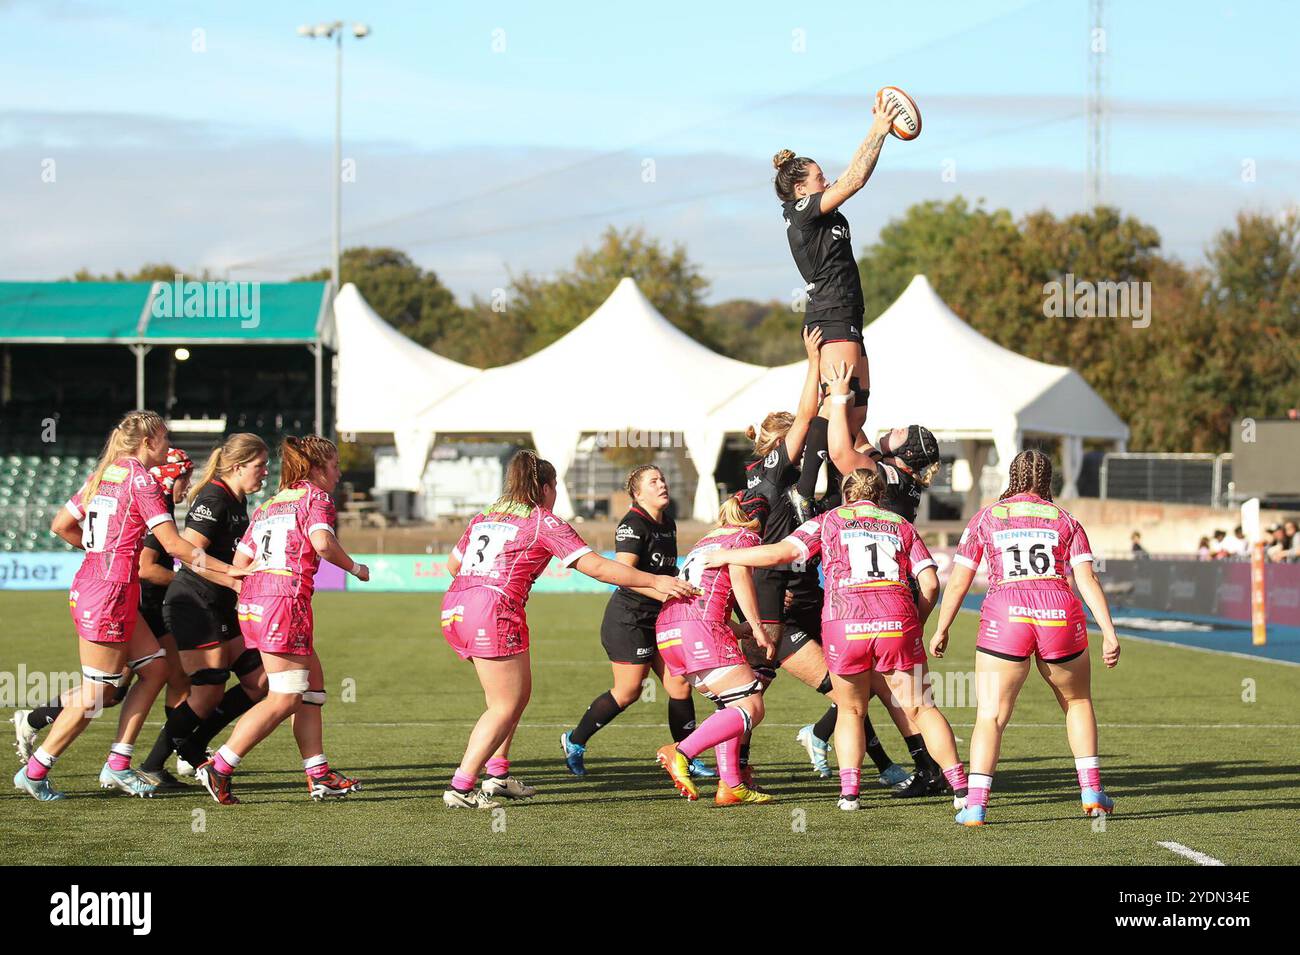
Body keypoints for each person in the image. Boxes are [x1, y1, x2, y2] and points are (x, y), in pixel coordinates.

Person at [15, 411, 251, 801]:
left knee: (156, 668)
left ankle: (119, 764)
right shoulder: (140, 480)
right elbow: (175, 546)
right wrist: (231, 575)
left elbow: (61, 524)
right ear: (148, 442)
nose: (168, 442)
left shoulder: (105, 474)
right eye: (164, 437)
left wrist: (102, 554)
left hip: (110, 589)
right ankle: (36, 770)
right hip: (107, 595)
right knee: (97, 693)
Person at [440, 450, 694, 809]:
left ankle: (497, 775)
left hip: (456, 606)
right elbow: (597, 567)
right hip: (493, 611)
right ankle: (462, 787)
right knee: (505, 704)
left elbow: (453, 565)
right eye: (555, 485)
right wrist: (656, 580)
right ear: (543, 488)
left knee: (511, 699)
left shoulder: (486, 515)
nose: (556, 493)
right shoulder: (543, 520)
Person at [708, 470, 968, 812]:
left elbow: (782, 553)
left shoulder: (827, 521)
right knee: (922, 708)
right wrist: (914, 623)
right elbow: (931, 583)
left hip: (845, 624)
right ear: (880, 496)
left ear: (846, 495)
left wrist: (729, 556)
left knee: (851, 710)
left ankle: (850, 794)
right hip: (896, 621)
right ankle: (961, 789)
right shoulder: (900, 524)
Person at [929, 449, 1122, 826]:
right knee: (1078, 701)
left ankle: (977, 805)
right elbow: (1087, 578)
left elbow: (959, 578)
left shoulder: (988, 517)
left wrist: (942, 626)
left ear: (1011, 477)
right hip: (1058, 612)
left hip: (1007, 611)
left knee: (991, 715)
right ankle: (1092, 792)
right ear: (1047, 480)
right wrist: (1109, 632)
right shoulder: (1066, 519)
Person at [194, 435, 368, 805]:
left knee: (312, 686)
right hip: (283, 602)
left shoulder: (271, 504)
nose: (338, 474)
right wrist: (355, 567)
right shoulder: (315, 497)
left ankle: (319, 774)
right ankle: (220, 765)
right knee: (285, 697)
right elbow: (322, 543)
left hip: (258, 599)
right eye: (335, 466)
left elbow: (239, 566)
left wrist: (263, 587)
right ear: (318, 467)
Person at [11, 448, 195, 770]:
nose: (189, 486)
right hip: (135, 604)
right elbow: (145, 566)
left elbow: (63, 524)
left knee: (151, 678)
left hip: (132, 602)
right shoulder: (149, 499)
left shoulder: (120, 483)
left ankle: (162, 757)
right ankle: (170, 757)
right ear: (170, 476)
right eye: (185, 477)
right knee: (108, 690)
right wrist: (195, 578)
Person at [772, 92, 902, 516]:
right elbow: (854, 180)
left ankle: (820, 482)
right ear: (799, 189)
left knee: (856, 413)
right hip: (831, 315)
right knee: (837, 403)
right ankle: (807, 489)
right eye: (817, 177)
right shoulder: (801, 212)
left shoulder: (823, 213)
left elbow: (848, 184)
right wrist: (879, 130)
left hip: (849, 315)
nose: (825, 181)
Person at [561, 465, 711, 778]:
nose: (662, 485)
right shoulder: (632, 524)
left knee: (679, 685)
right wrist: (664, 592)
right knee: (628, 692)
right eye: (653, 481)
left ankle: (685, 755)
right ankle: (574, 741)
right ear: (637, 493)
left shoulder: (667, 522)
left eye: (663, 479)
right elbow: (624, 577)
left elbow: (667, 575)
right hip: (629, 620)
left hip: (660, 617)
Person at [144, 434, 271, 786]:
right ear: (238, 465)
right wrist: (232, 578)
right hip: (195, 604)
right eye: (260, 466)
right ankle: (154, 764)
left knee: (258, 681)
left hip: (220, 604)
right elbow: (190, 552)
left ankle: (195, 745)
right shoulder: (214, 497)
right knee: (207, 691)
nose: (265, 472)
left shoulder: (236, 498)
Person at [655, 493, 776, 806]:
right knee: (751, 706)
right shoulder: (746, 536)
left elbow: (703, 591)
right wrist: (757, 626)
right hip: (699, 628)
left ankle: (731, 785)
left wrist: (735, 628)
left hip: (670, 628)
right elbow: (738, 574)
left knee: (731, 704)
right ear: (760, 520)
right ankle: (680, 752)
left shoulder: (709, 537)